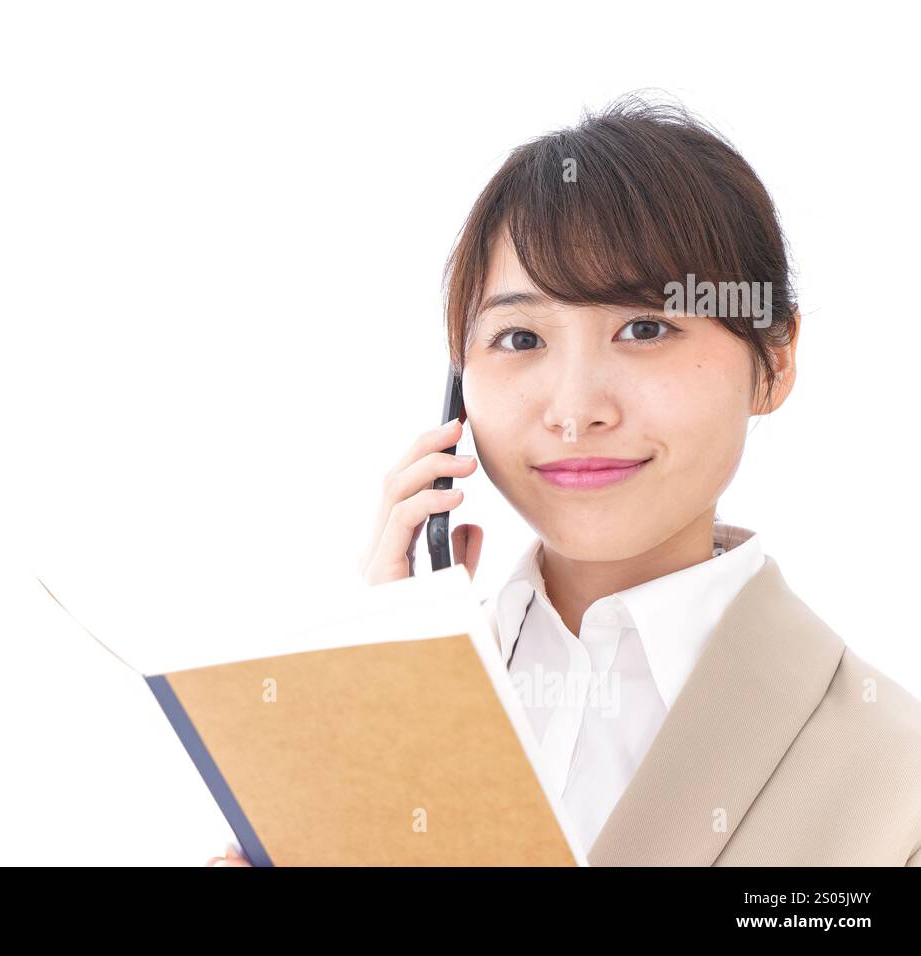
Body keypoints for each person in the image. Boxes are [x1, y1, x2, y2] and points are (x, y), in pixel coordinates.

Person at [206, 95, 921, 867]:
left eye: (645, 328)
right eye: (520, 338)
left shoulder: (891, 779)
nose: (575, 411)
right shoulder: (376, 712)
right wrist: (377, 695)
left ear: (773, 361)